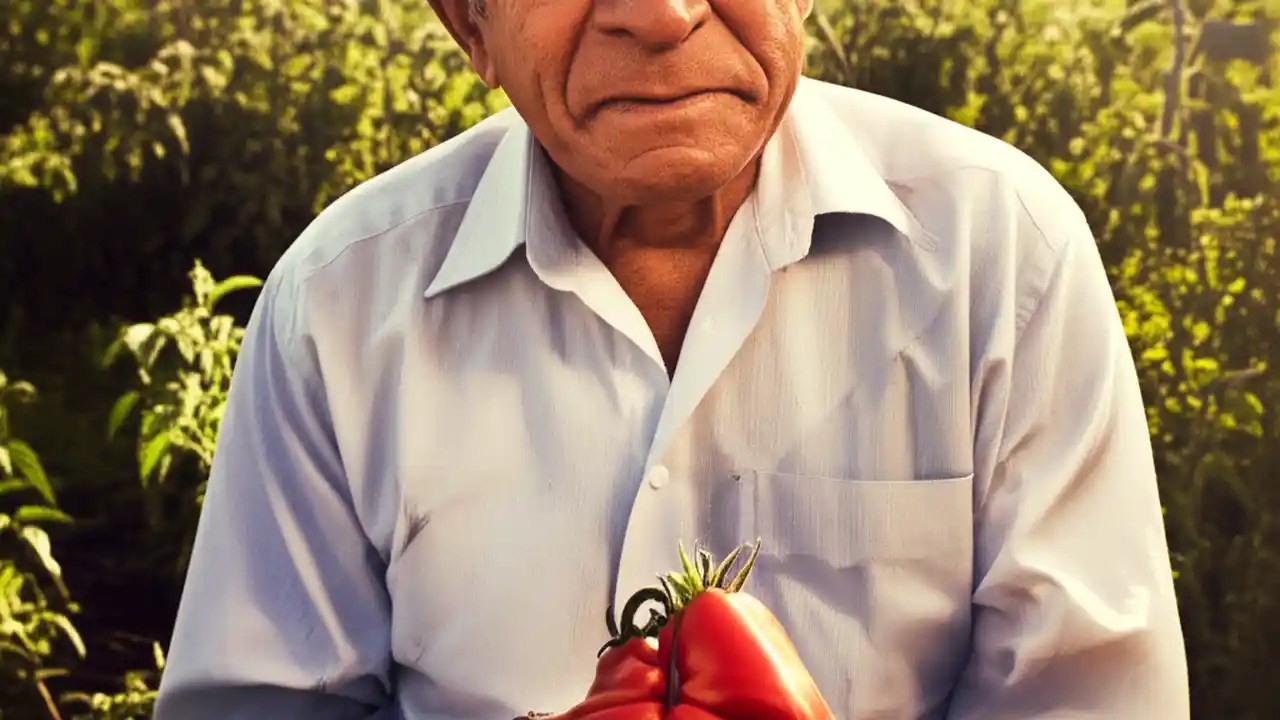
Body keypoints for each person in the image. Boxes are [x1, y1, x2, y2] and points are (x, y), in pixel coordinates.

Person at [153, 0, 1190, 717]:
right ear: (469, 22)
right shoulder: (339, 302)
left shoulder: (997, 252)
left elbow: (1089, 699)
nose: (659, 14)